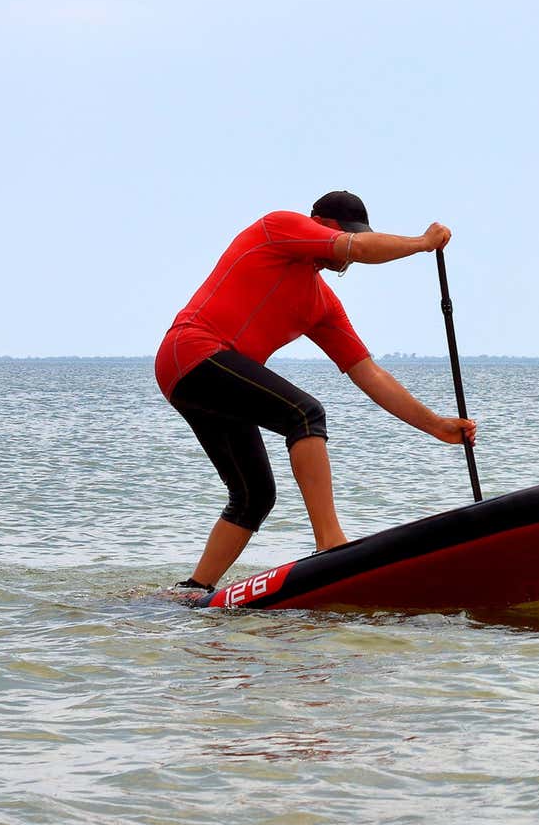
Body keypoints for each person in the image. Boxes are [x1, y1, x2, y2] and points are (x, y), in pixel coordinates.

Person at [154, 191, 476, 599]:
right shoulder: (278, 227)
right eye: (346, 235)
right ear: (320, 224)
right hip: (193, 350)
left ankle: (195, 590)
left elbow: (369, 372)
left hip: (199, 378)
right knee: (305, 414)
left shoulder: (322, 304)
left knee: (255, 495)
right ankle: (330, 542)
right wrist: (422, 243)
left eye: (356, 237)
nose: (346, 256)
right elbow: (358, 248)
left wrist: (435, 425)